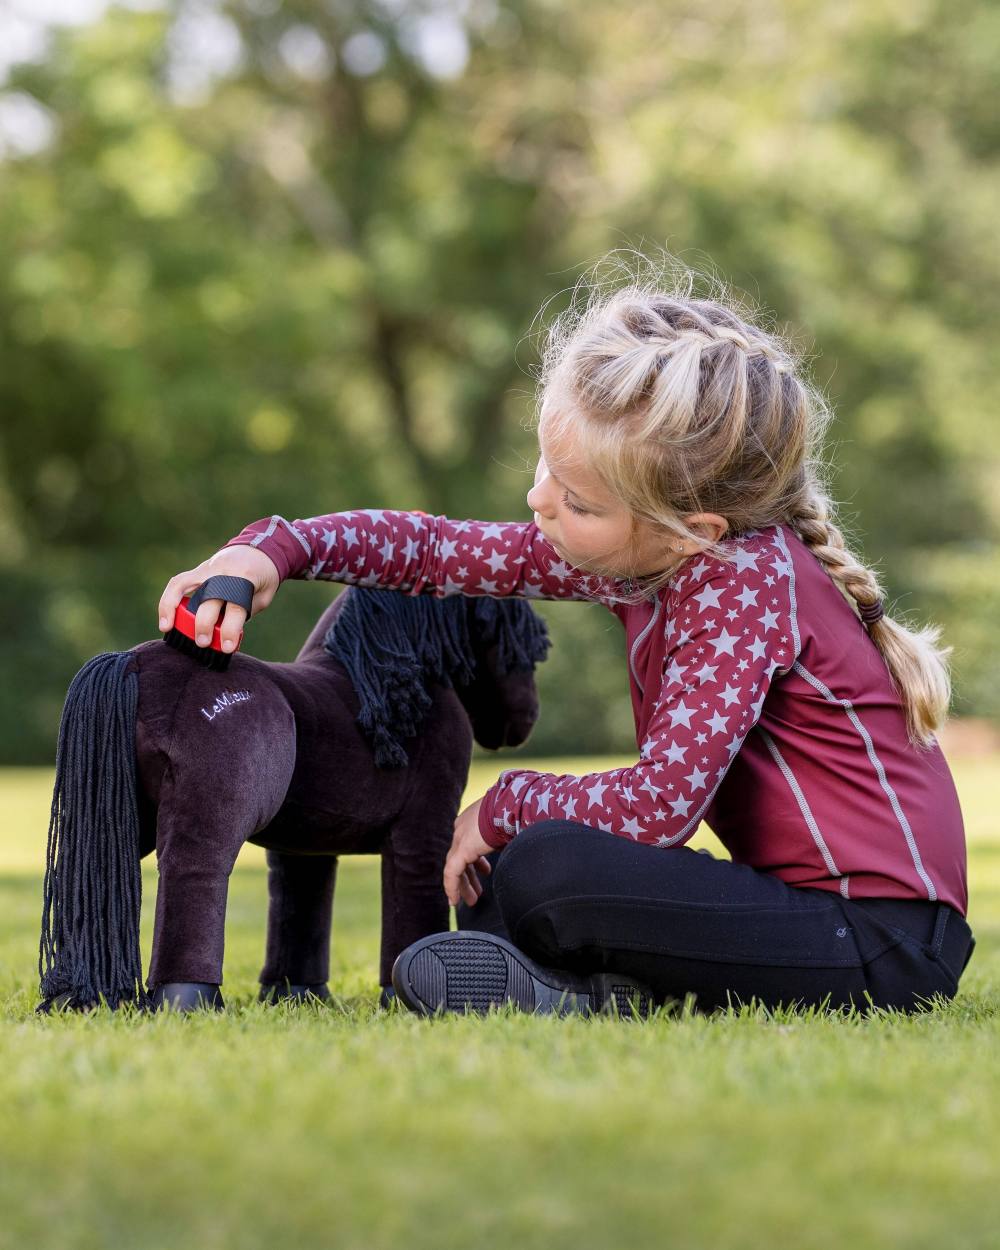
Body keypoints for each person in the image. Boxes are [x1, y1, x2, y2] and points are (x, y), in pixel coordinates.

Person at [156, 256, 976, 1019]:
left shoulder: (742, 581)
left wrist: (506, 802)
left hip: (884, 943)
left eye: (578, 502)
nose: (539, 500)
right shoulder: (653, 556)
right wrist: (273, 549)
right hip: (808, 918)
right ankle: (585, 991)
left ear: (692, 529)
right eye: (547, 468)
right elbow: (438, 552)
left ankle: (583, 987)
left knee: (546, 863)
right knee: (501, 876)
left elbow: (660, 808)